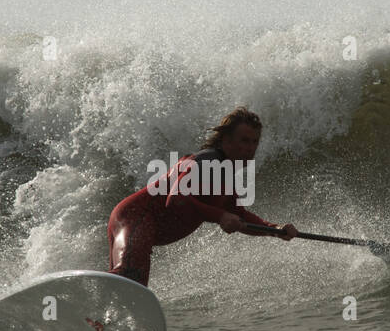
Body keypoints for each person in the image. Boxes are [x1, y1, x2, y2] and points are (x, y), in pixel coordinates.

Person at [107, 107, 298, 286]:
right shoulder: (207, 161)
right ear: (226, 140)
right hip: (135, 217)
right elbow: (175, 199)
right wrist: (220, 216)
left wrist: (276, 230)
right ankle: (79, 296)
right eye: (244, 141)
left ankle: (94, 320)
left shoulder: (226, 175)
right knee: (128, 277)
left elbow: (240, 216)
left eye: (255, 142)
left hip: (143, 225)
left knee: (133, 290)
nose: (251, 148)